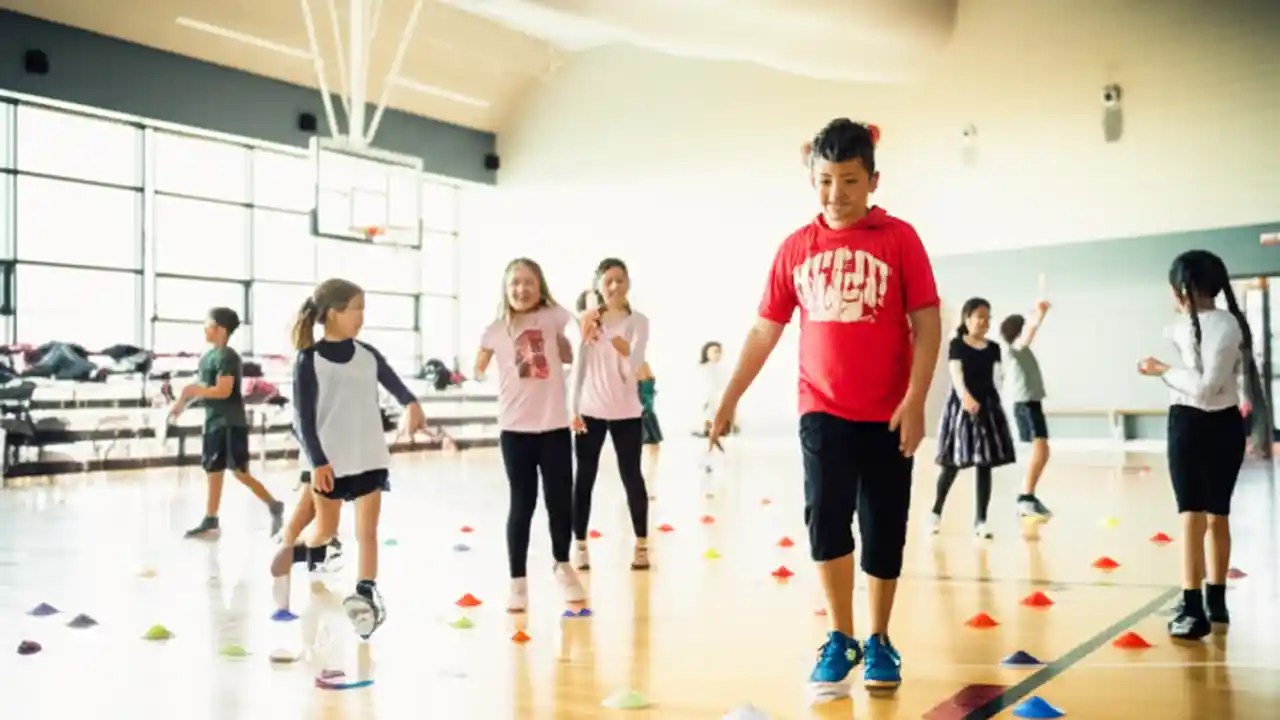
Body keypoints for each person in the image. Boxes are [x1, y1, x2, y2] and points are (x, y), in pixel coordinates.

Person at [710, 118, 941, 699]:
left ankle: (881, 638)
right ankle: (841, 637)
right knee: (826, 518)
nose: (835, 195)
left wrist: (916, 399)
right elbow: (764, 331)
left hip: (888, 412)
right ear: (811, 177)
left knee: (885, 525)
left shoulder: (899, 239)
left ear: (872, 181)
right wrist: (729, 396)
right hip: (822, 408)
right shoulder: (796, 248)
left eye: (848, 182)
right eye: (824, 181)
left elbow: (928, 323)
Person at [291, 278, 428, 639]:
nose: (362, 317)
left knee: (367, 532)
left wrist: (411, 404)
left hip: (369, 456)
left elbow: (398, 387)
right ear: (333, 313)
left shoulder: (368, 353)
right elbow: (302, 420)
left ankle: (366, 592)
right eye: (357, 309)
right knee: (326, 530)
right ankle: (301, 549)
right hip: (329, 464)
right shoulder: (309, 360)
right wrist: (318, 461)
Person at [1138, 249, 1258, 640]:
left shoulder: (1217, 327)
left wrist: (1161, 370)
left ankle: (1194, 608)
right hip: (1216, 425)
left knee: (1195, 515)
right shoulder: (1223, 324)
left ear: (1182, 290)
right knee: (1213, 515)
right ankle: (1213, 602)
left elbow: (1205, 391)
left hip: (1195, 423)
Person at [477, 258, 587, 613]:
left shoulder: (554, 315)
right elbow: (477, 367)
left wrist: (566, 345)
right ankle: (517, 582)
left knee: (559, 502)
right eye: (514, 284)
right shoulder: (495, 329)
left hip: (554, 426)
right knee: (522, 504)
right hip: (515, 429)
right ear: (505, 289)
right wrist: (475, 370)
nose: (521, 290)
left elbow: (579, 329)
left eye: (528, 282)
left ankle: (561, 563)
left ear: (540, 286)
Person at [571, 258, 651, 572]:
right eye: (608, 282)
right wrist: (572, 408)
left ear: (628, 282)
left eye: (620, 280)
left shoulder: (639, 322)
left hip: (627, 411)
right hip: (590, 410)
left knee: (631, 475)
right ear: (598, 286)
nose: (615, 286)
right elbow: (579, 366)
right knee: (584, 478)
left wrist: (615, 343)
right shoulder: (586, 319)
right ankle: (579, 545)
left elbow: (633, 366)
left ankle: (642, 545)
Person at [176, 307, 285, 539]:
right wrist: (183, 401)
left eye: (209, 324)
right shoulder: (207, 357)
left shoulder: (228, 357)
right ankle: (211, 518)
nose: (205, 329)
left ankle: (274, 504)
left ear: (220, 329)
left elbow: (223, 390)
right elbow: (204, 389)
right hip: (213, 422)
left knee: (239, 472)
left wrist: (190, 390)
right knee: (213, 470)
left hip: (229, 423)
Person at [932, 298, 1017, 539]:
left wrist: (998, 403)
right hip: (963, 408)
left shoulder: (993, 348)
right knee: (952, 465)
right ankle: (936, 511)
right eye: (979, 316)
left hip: (988, 408)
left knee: (984, 464)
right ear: (967, 318)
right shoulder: (957, 345)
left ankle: (981, 520)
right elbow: (957, 375)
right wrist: (966, 398)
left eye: (988, 317)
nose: (984, 321)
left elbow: (998, 378)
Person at [999, 300, 1054, 521]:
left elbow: (1029, 331)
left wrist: (1036, 315)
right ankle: (1025, 497)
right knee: (1040, 450)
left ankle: (1027, 496)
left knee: (1043, 451)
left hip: (1032, 403)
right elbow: (1030, 330)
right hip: (1025, 404)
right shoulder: (1016, 349)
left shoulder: (1021, 351)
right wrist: (1039, 314)